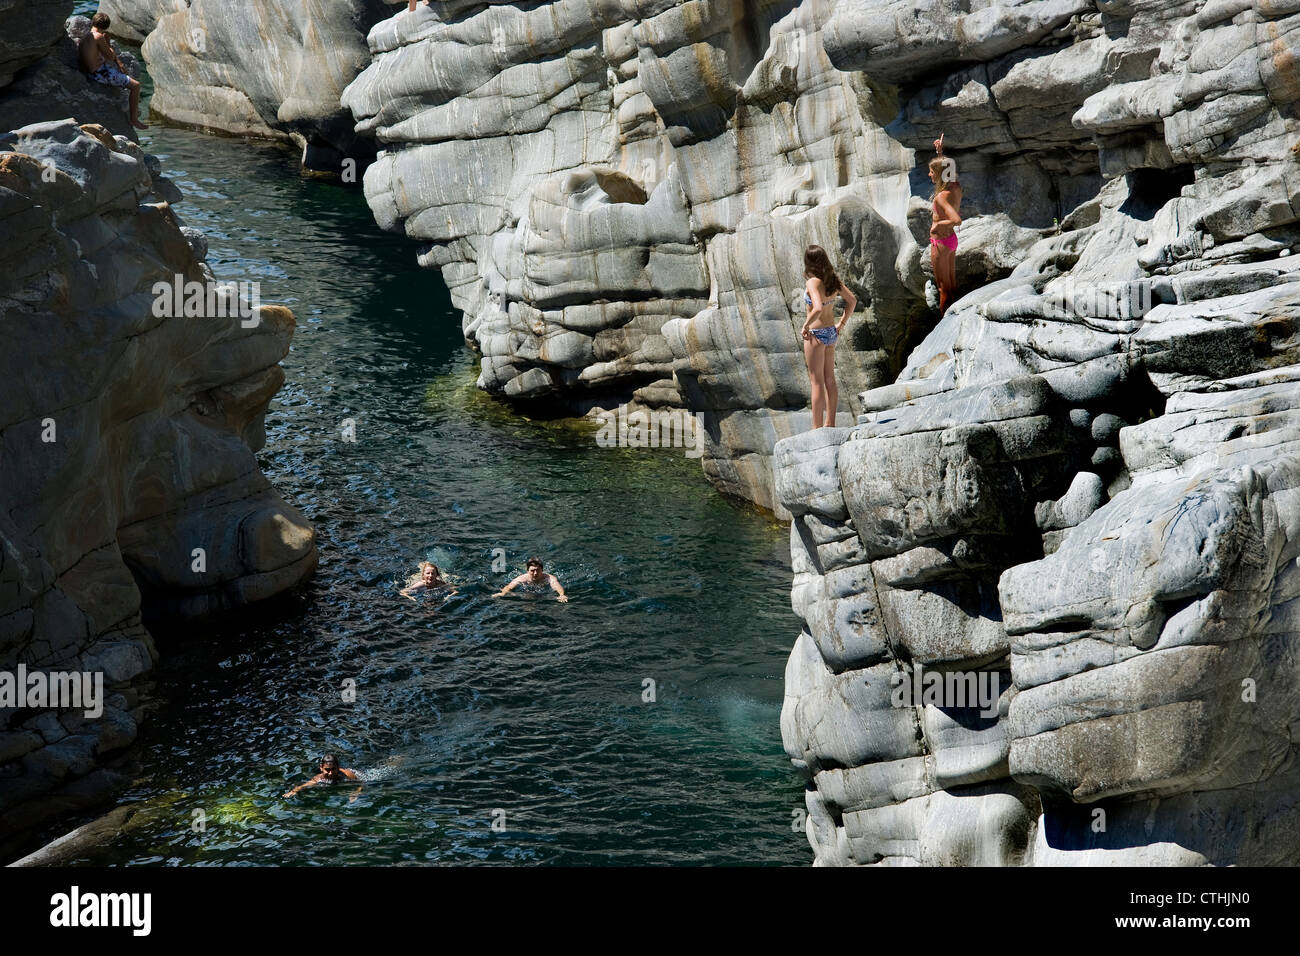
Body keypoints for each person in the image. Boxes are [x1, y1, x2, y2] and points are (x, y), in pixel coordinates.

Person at [799, 245, 857, 430]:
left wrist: (806, 325)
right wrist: (842, 323)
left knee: (816, 382)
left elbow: (816, 308)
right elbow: (852, 301)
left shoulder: (813, 282)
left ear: (808, 262)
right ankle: (829, 424)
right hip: (831, 332)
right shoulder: (832, 279)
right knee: (830, 380)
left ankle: (816, 429)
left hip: (816, 335)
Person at [78, 13, 148, 130]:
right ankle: (134, 119)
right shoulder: (99, 37)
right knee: (136, 86)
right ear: (105, 26)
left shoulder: (85, 37)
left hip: (91, 72)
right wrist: (107, 42)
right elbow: (110, 56)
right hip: (99, 73)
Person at [928, 133, 963, 316]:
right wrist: (940, 152)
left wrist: (937, 226)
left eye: (932, 172)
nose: (929, 174)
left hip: (940, 242)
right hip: (951, 241)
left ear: (939, 174)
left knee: (943, 289)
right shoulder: (955, 187)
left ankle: (943, 326)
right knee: (951, 286)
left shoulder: (941, 198)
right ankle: (954, 318)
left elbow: (956, 220)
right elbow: (948, 170)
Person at [283, 753, 362, 799]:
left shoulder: (347, 774)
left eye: (333, 769)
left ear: (338, 767)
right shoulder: (319, 778)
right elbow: (304, 785)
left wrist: (356, 792)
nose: (330, 773)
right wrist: (293, 791)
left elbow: (361, 783)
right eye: (327, 770)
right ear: (321, 768)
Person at [494, 557, 568, 602]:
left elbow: (557, 585)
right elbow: (509, 587)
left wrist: (562, 595)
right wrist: (503, 593)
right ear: (527, 571)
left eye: (538, 570)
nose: (535, 573)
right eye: (532, 571)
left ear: (542, 570)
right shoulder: (522, 578)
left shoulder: (549, 578)